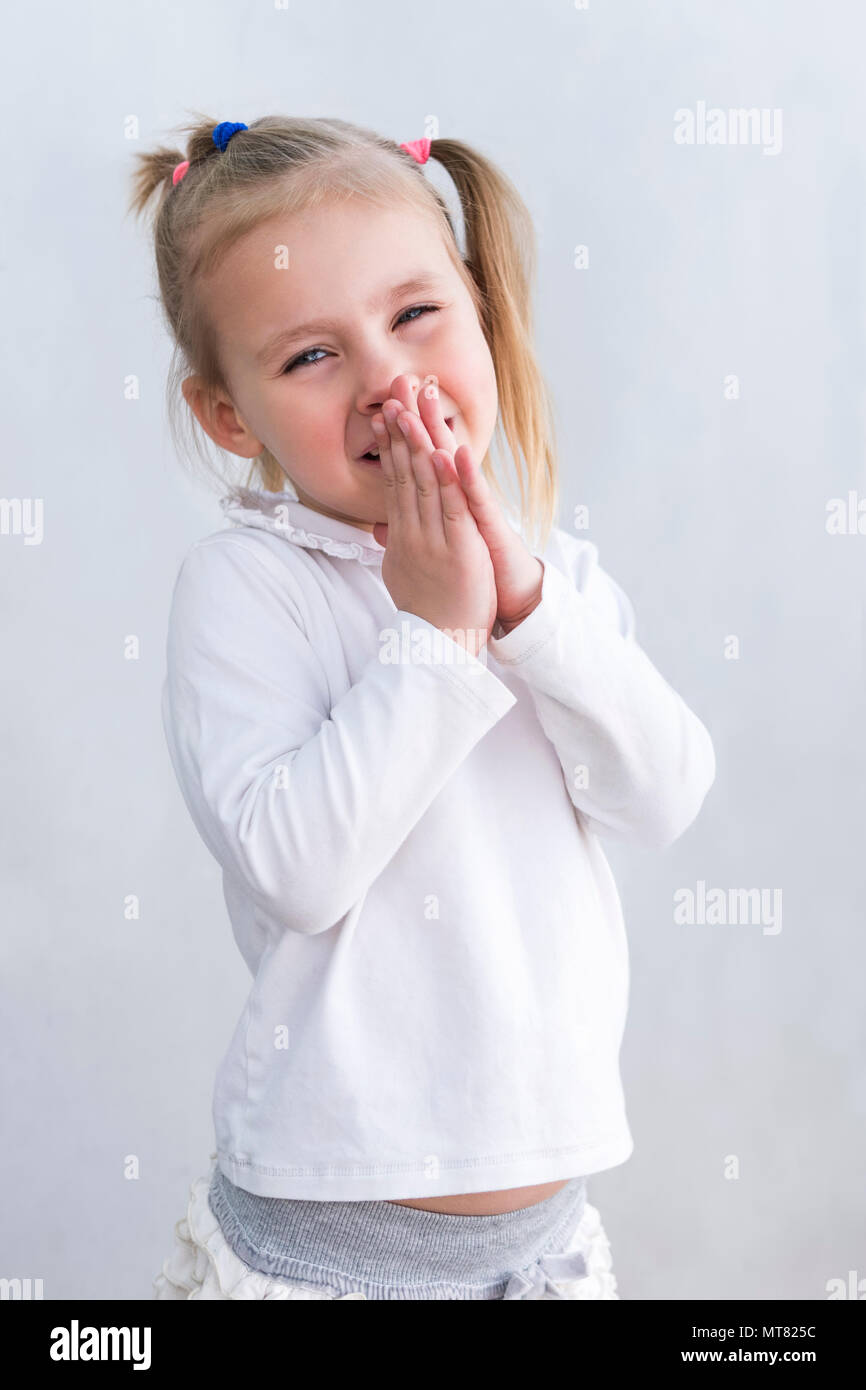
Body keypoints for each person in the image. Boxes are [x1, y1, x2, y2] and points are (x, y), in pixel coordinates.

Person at [129, 114, 716, 1300]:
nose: (386, 380)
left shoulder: (554, 581)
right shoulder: (248, 587)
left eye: (413, 315)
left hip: (539, 1244)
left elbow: (662, 795)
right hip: (324, 1248)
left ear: (481, 312)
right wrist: (437, 637)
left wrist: (522, 609)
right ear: (230, 416)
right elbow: (297, 870)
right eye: (310, 355)